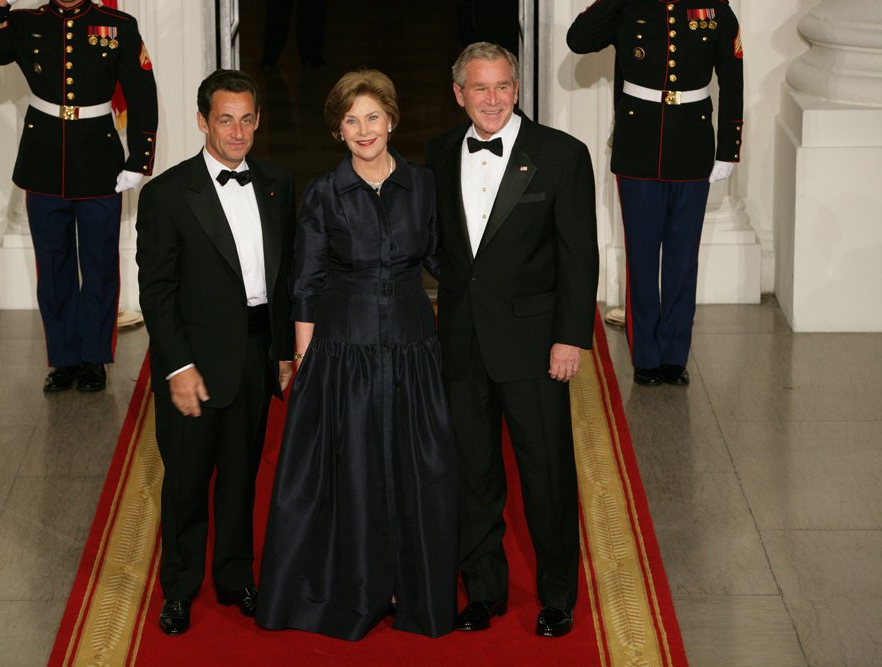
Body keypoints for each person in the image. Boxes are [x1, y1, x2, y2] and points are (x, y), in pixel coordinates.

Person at [256, 69, 458, 641]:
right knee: (355, 470)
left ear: (392, 118)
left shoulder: (423, 184)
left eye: (373, 117)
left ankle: (412, 585)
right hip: (345, 353)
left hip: (416, 349)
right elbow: (306, 280)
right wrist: (303, 360)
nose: (364, 129)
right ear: (338, 131)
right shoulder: (323, 192)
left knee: (418, 468)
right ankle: (360, 586)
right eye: (351, 120)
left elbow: (445, 260)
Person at [425, 42, 599, 637]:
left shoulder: (562, 155)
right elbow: (445, 250)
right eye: (479, 88)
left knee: (546, 474)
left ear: (517, 89)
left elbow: (580, 257)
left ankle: (557, 596)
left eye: (502, 87)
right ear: (459, 94)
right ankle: (484, 592)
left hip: (534, 344)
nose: (492, 99)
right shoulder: (442, 150)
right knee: (473, 474)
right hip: (463, 341)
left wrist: (569, 338)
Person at [136, 69, 296, 636]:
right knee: (185, 480)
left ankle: (234, 577)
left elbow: (285, 277)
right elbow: (156, 292)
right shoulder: (166, 194)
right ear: (202, 120)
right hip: (194, 359)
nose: (237, 131)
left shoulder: (278, 184)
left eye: (247, 118)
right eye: (224, 119)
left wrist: (282, 350)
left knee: (241, 476)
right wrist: (177, 367)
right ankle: (179, 589)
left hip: (255, 352)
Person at [0, 0, 158, 393]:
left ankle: (94, 359)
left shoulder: (117, 25)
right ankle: (64, 360)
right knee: (53, 269)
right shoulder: (24, 22)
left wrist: (138, 160)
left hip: (99, 162)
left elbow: (141, 92)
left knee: (99, 268)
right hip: (43, 162)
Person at [567, 0, 744, 386]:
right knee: (642, 258)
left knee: (683, 259)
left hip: (693, 145)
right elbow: (578, 40)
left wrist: (729, 149)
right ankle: (646, 355)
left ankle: (674, 355)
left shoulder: (714, 8)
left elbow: (733, 77)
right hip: (638, 147)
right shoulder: (628, 6)